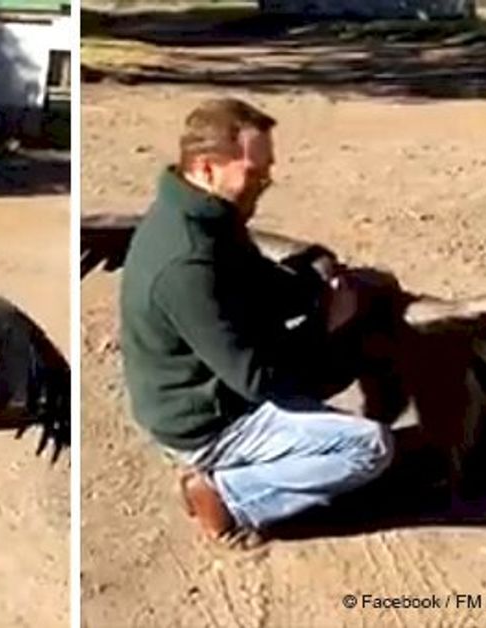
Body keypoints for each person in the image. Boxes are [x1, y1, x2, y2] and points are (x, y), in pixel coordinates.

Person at [118, 97, 394, 547]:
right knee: (370, 447)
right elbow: (257, 378)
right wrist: (326, 323)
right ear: (207, 168)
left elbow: (258, 285)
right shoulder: (186, 262)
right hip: (206, 422)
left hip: (218, 388)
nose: (264, 182)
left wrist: (318, 285)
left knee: (354, 331)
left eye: (267, 170)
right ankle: (227, 494)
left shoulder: (209, 216)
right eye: (253, 172)